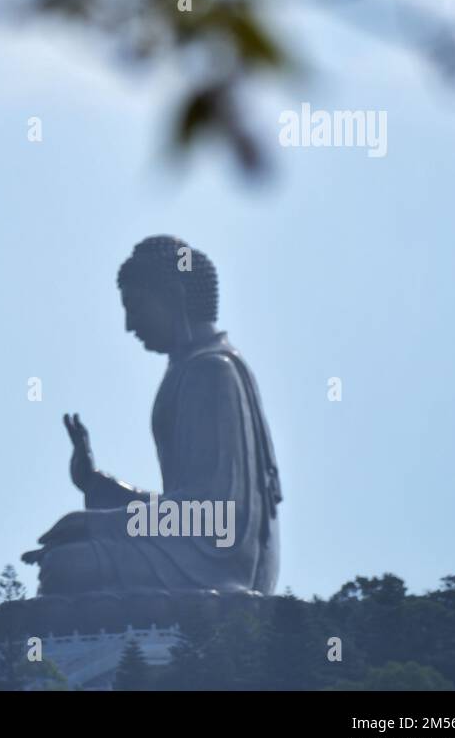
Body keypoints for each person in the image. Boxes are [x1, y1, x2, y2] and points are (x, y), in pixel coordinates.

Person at [22, 235, 282, 596]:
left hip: (216, 569)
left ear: (174, 297)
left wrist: (98, 525)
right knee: (66, 558)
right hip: (190, 557)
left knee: (66, 567)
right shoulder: (191, 369)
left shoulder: (212, 372)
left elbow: (214, 516)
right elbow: (186, 509)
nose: (130, 325)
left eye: (136, 306)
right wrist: (98, 486)